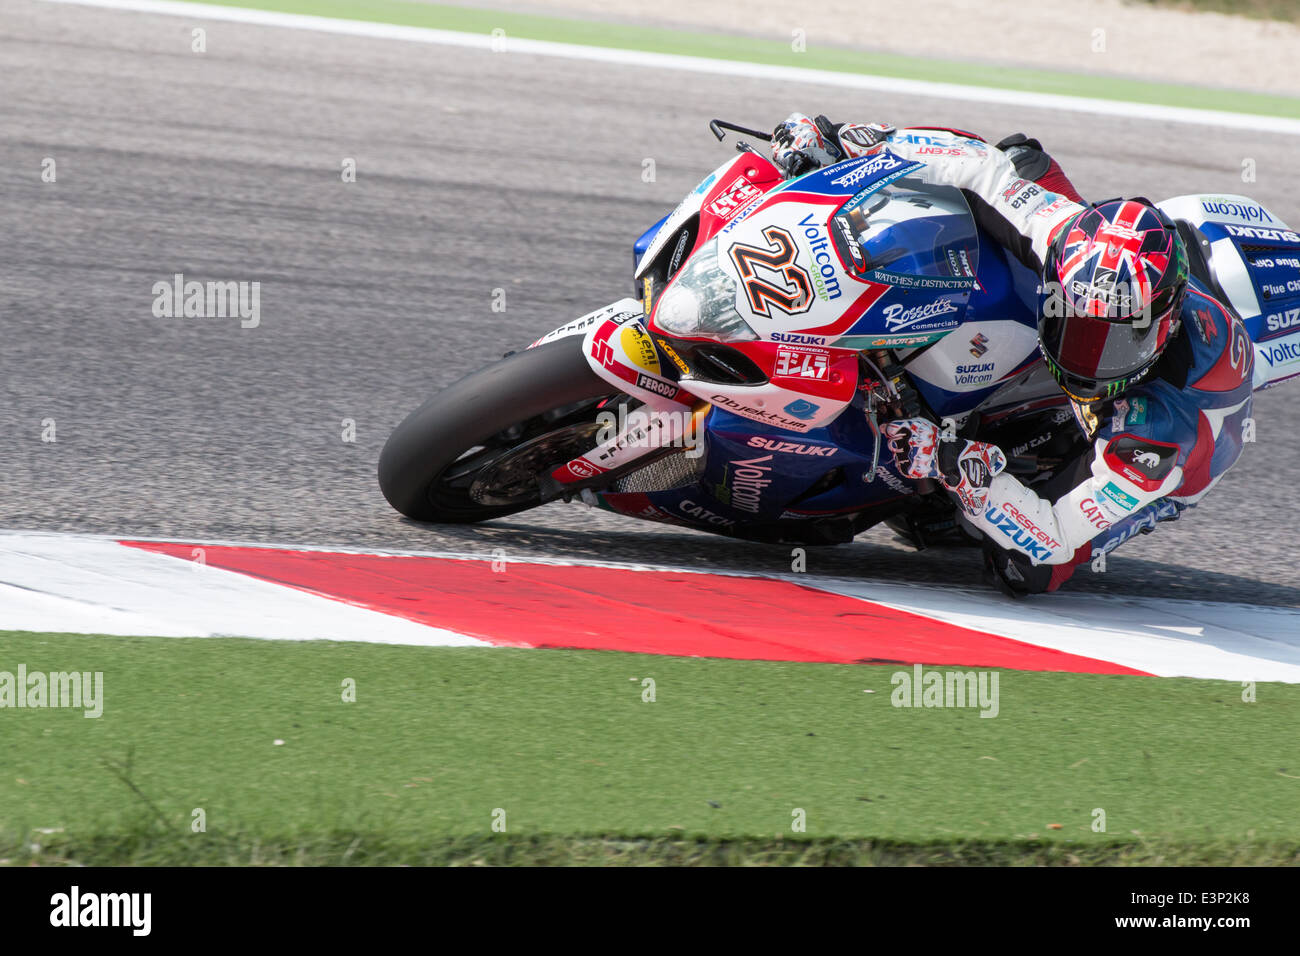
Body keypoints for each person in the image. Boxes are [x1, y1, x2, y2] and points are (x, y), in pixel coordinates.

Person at [771, 113, 1254, 595]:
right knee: (1021, 158)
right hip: (1118, 277)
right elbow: (978, 167)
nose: (1088, 354)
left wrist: (948, 460)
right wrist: (862, 146)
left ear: (1162, 328)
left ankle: (951, 507)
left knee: (1024, 568)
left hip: (1177, 448)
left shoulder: (1159, 438)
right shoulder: (1068, 242)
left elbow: (1056, 537)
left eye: (1115, 341)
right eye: (1075, 323)